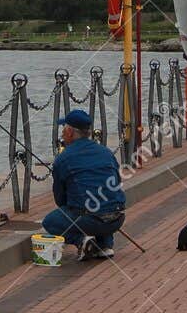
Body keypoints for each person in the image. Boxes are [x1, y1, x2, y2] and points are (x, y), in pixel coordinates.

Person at [42, 109, 127, 259]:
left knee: (50, 221)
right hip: (117, 218)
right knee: (102, 205)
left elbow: (60, 200)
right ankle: (105, 245)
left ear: (69, 132)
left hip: (89, 219)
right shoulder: (106, 152)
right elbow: (117, 183)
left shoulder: (63, 158)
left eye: (63, 130)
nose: (61, 134)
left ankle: (82, 241)